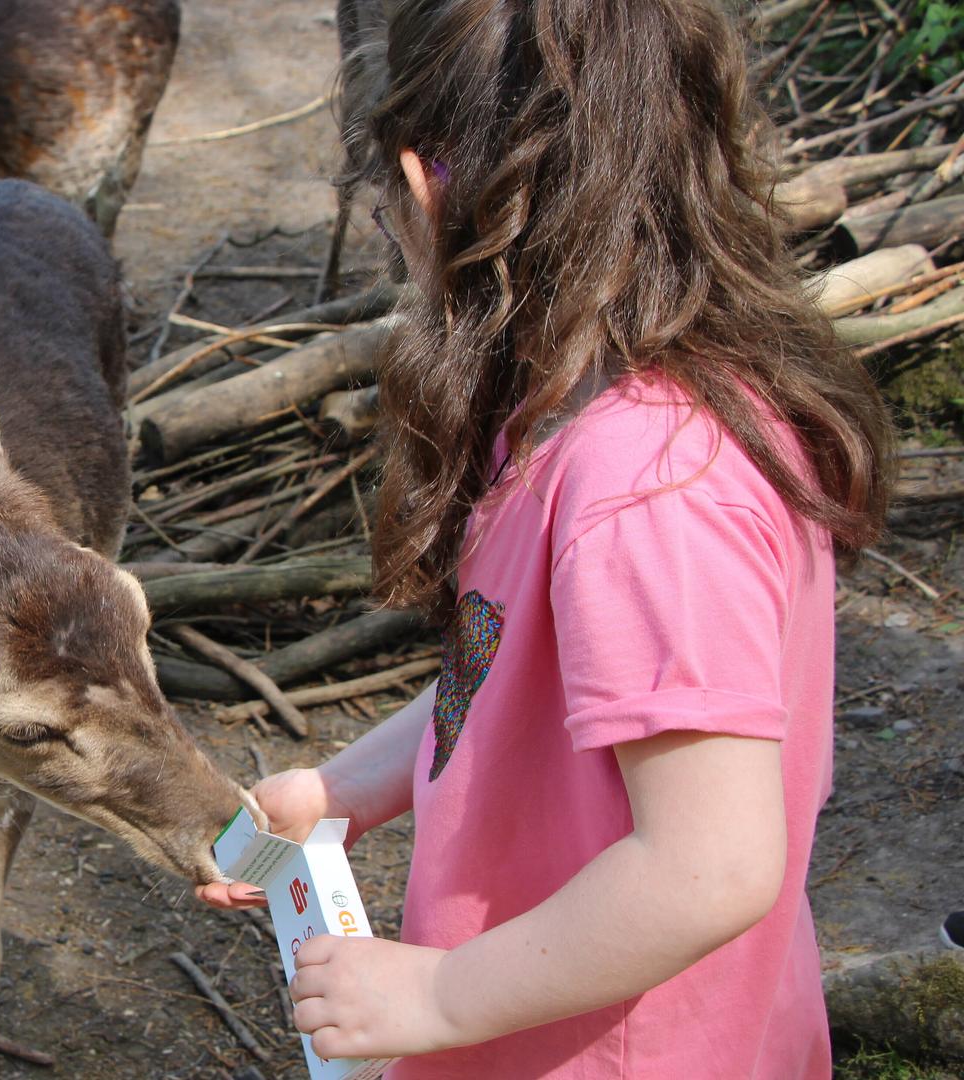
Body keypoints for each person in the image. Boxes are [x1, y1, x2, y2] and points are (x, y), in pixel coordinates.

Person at [199, 1, 896, 1076]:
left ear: (428, 189)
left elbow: (708, 865)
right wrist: (347, 787)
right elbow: (513, 677)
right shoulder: (576, 416)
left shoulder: (646, 489)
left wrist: (440, 992)